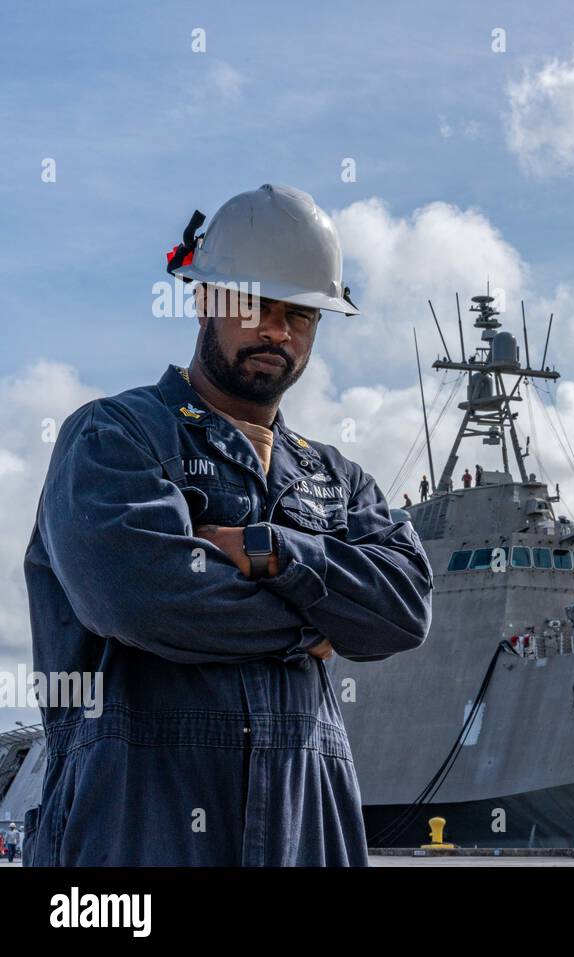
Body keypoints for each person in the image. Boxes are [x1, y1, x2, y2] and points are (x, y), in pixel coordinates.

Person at [23, 184, 434, 866]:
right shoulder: (113, 438)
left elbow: (407, 608)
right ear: (204, 298)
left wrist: (271, 551)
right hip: (134, 834)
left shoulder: (340, 481)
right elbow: (141, 598)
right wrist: (322, 623)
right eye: (255, 305)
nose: (277, 331)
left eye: (299, 314)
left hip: (309, 833)